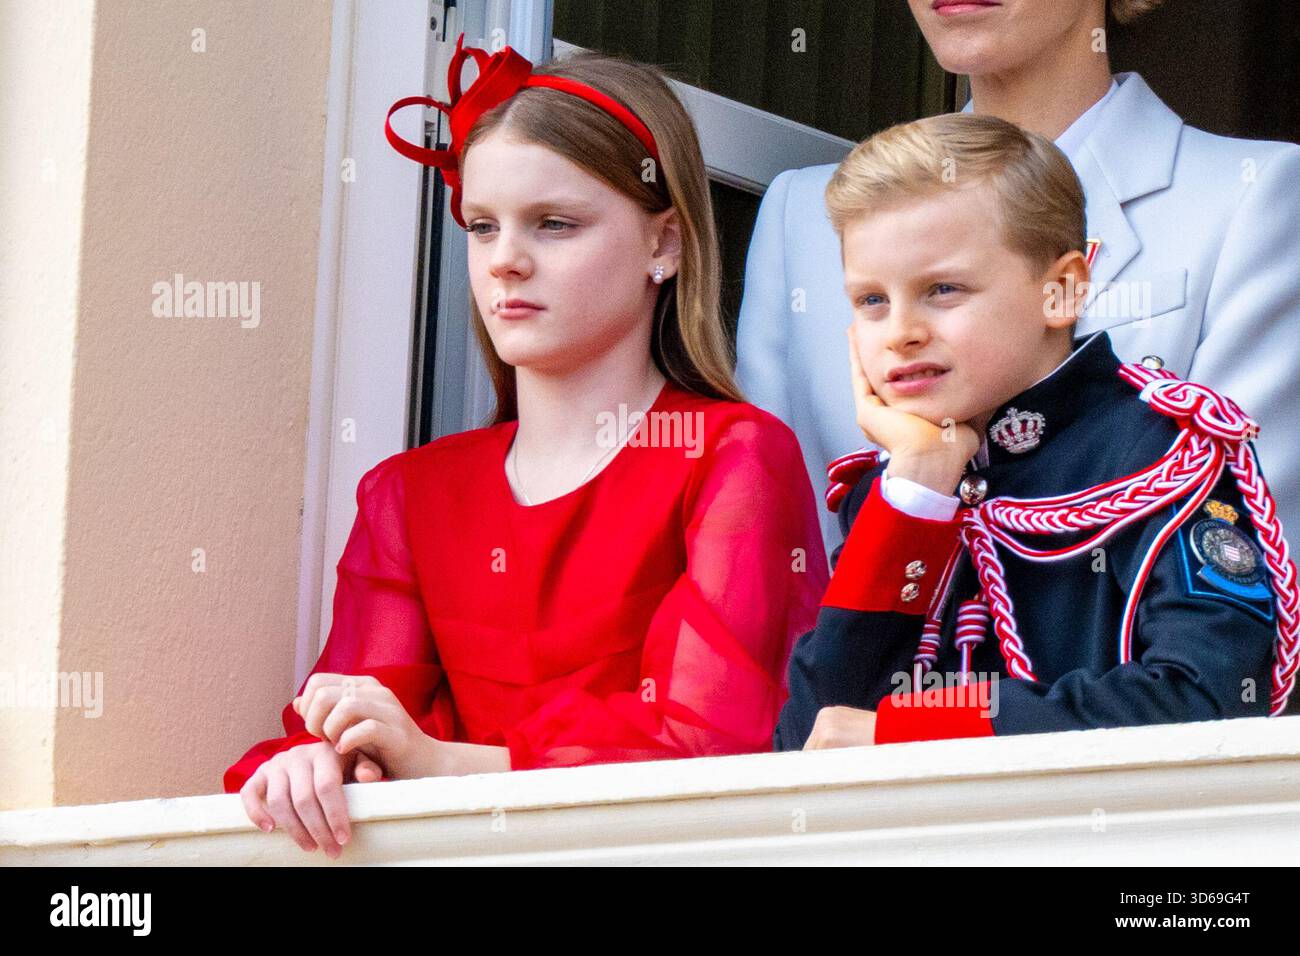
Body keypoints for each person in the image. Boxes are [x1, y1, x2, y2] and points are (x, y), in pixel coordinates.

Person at [225, 36, 828, 857]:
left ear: (666, 244)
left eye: (554, 223)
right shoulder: (410, 492)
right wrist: (309, 764)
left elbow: (709, 745)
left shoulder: (735, 455)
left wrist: (436, 762)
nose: (505, 260)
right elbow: (343, 714)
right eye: (481, 226)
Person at [771, 113, 1298, 751]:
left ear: (1062, 291)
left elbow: (1208, 699)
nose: (900, 331)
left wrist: (915, 735)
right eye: (871, 301)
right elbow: (809, 738)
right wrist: (916, 491)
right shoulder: (901, 488)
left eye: (942, 289)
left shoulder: (1165, 453)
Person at [736, 0, 1300, 564]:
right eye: (874, 299)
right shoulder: (803, 214)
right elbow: (765, 557)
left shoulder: (1251, 196)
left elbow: (1246, 563)